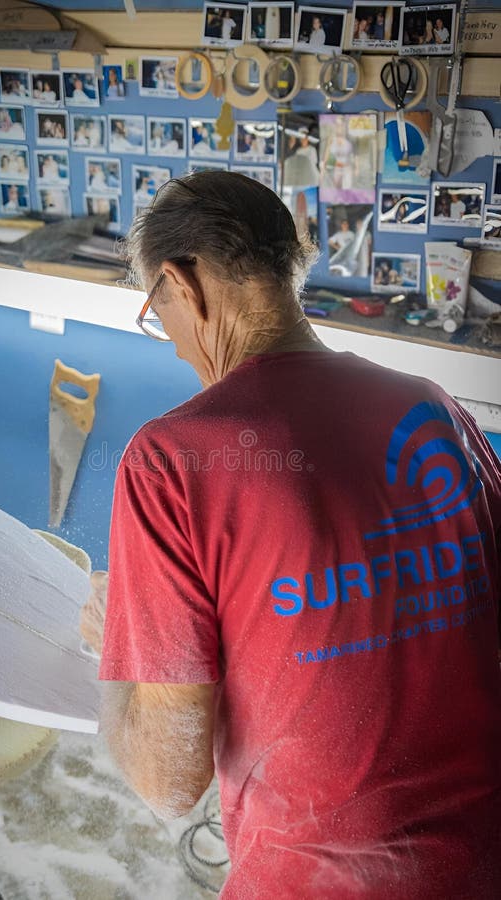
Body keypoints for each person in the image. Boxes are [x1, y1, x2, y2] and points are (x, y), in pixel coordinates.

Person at [83, 171, 501, 898]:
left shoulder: (173, 460)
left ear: (185, 285)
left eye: (159, 314)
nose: (177, 348)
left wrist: (120, 657)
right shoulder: (434, 409)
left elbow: (168, 779)